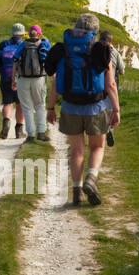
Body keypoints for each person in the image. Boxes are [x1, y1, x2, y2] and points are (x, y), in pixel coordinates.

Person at [45, 12, 120, 206]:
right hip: (95, 107)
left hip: (70, 106)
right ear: (95, 31)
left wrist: (51, 107)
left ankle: (77, 192)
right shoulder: (100, 49)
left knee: (77, 150)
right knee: (97, 147)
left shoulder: (63, 48)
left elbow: (55, 81)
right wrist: (116, 110)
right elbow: (110, 84)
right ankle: (91, 179)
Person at [14, 23, 51, 141]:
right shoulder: (43, 44)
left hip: (23, 79)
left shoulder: (22, 45)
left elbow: (15, 60)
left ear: (29, 34)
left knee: (27, 107)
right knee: (40, 105)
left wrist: (13, 79)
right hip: (39, 79)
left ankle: (30, 134)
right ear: (39, 34)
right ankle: (41, 133)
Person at [0, 22, 26, 138]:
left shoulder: (3, 44)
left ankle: (6, 124)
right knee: (20, 105)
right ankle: (19, 131)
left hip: (6, 78)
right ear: (22, 34)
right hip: (21, 79)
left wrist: (2, 71)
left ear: (12, 33)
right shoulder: (24, 45)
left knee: (7, 103)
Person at [98, 30, 124, 147]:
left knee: (99, 109)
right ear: (110, 41)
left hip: (97, 85)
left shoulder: (94, 50)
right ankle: (109, 129)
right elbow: (122, 71)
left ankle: (99, 132)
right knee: (110, 110)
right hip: (110, 84)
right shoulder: (115, 52)